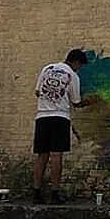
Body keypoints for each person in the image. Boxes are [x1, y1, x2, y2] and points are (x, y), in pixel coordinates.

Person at [32, 48, 90, 203]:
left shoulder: (47, 68)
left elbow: (37, 92)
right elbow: (76, 102)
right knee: (56, 155)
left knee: (42, 155)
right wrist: (90, 101)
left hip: (42, 116)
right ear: (76, 62)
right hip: (60, 117)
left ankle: (36, 192)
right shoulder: (72, 76)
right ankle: (55, 193)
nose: (79, 68)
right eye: (80, 65)